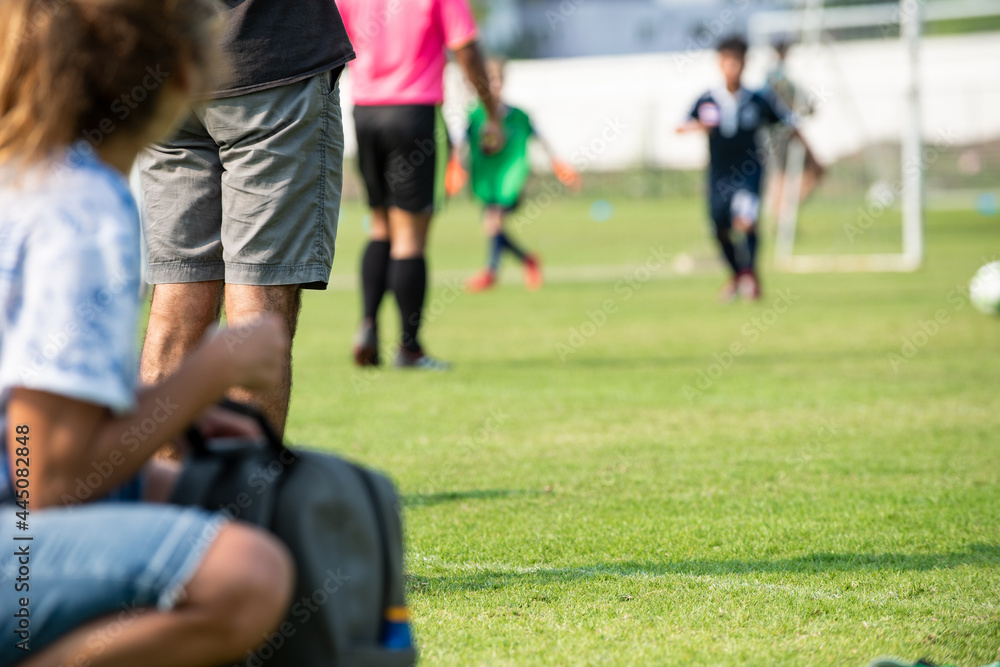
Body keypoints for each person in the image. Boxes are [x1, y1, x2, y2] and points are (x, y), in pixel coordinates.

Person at [0, 1, 295, 665]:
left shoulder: (29, 179)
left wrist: (172, 408)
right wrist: (213, 370)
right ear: (186, 74)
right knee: (250, 572)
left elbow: (21, 418)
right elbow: (41, 479)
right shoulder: (83, 211)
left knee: (188, 499)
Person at [137, 0, 355, 436]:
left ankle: (166, 496)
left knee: (176, 302)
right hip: (269, 64)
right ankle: (244, 500)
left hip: (166, 72)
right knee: (257, 308)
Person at [338, 0, 504, 370]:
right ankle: (409, 348)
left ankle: (367, 324)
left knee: (380, 226)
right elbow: (466, 48)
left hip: (364, 112)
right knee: (409, 237)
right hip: (414, 113)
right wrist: (491, 110)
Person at [678, 35, 818, 301]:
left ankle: (751, 279)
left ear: (745, 64)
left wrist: (814, 157)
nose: (733, 68)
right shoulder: (708, 99)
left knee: (746, 220)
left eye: (738, 62)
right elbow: (679, 125)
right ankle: (738, 276)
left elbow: (789, 125)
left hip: (749, 172)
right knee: (719, 228)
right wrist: (700, 127)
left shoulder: (757, 98)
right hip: (718, 174)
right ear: (719, 64)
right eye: (727, 62)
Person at [459, 59, 582, 293]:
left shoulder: (519, 116)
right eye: (488, 81)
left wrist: (559, 166)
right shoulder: (475, 115)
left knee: (492, 222)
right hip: (486, 182)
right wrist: (455, 168)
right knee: (494, 227)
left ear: (503, 82)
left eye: (496, 80)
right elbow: (462, 145)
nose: (493, 85)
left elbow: (541, 139)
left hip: (510, 182)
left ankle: (491, 272)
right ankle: (527, 260)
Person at [763, 41, 825, 218]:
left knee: (798, 171)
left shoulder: (780, 75)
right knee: (782, 173)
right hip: (781, 131)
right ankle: (780, 214)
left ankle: (782, 212)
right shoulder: (775, 76)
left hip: (789, 129)